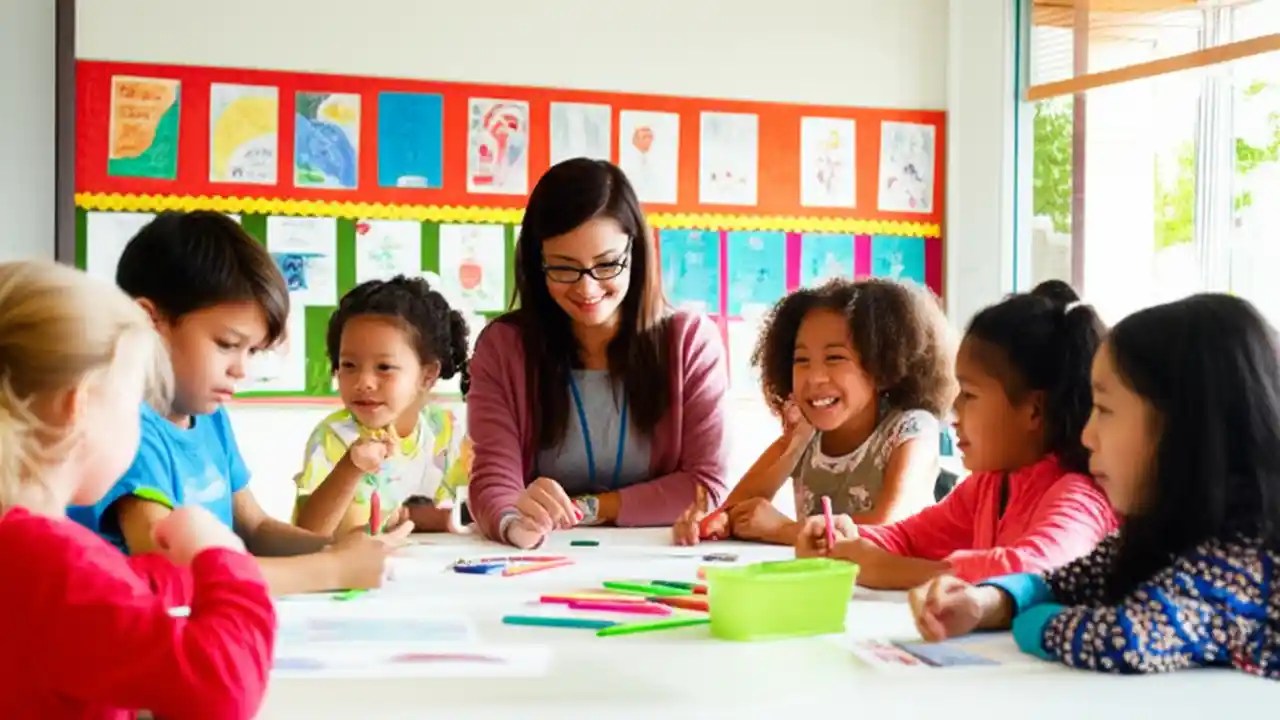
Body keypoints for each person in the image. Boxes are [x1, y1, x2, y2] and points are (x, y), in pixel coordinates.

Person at [908, 294, 1280, 678]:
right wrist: (985, 602)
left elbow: (1120, 640)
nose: (1086, 436)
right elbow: (1061, 582)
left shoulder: (1242, 563)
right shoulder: (1166, 535)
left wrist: (1032, 620)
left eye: (1103, 410)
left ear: (1184, 429)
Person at [67, 211, 409, 595]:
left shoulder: (208, 417)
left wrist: (340, 549)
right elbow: (173, 568)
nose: (240, 369)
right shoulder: (126, 426)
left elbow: (255, 528)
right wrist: (330, 569)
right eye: (227, 345)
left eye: (252, 351)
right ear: (151, 323)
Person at [0, 261, 274, 718]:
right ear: (78, 406)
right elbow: (221, 691)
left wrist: (175, 575)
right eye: (133, 404)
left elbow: (103, 596)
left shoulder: (27, 551)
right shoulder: (45, 559)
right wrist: (226, 560)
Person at [467, 158, 729, 549]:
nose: (587, 290)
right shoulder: (504, 348)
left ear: (635, 253)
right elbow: (493, 479)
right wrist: (513, 523)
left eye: (607, 265)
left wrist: (591, 508)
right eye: (563, 268)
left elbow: (706, 484)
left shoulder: (689, 342)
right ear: (537, 263)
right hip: (540, 555)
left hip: (660, 555)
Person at [797, 281, 1117, 588]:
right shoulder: (987, 487)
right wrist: (845, 539)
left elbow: (1035, 572)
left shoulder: (1078, 496)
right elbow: (909, 539)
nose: (954, 409)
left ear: (1033, 410)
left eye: (969, 394)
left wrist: (896, 571)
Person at [674, 278, 957, 546]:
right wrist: (709, 522)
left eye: (835, 358)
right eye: (801, 360)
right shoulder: (805, 432)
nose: (814, 378)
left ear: (882, 369)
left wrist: (783, 530)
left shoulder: (912, 430)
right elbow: (733, 509)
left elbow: (888, 527)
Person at [293, 275, 470, 536]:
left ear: (427, 375)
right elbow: (306, 534)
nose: (363, 382)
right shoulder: (334, 436)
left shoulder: (445, 430)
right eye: (349, 365)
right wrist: (350, 467)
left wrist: (415, 516)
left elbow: (464, 512)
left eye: (384, 367)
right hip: (351, 575)